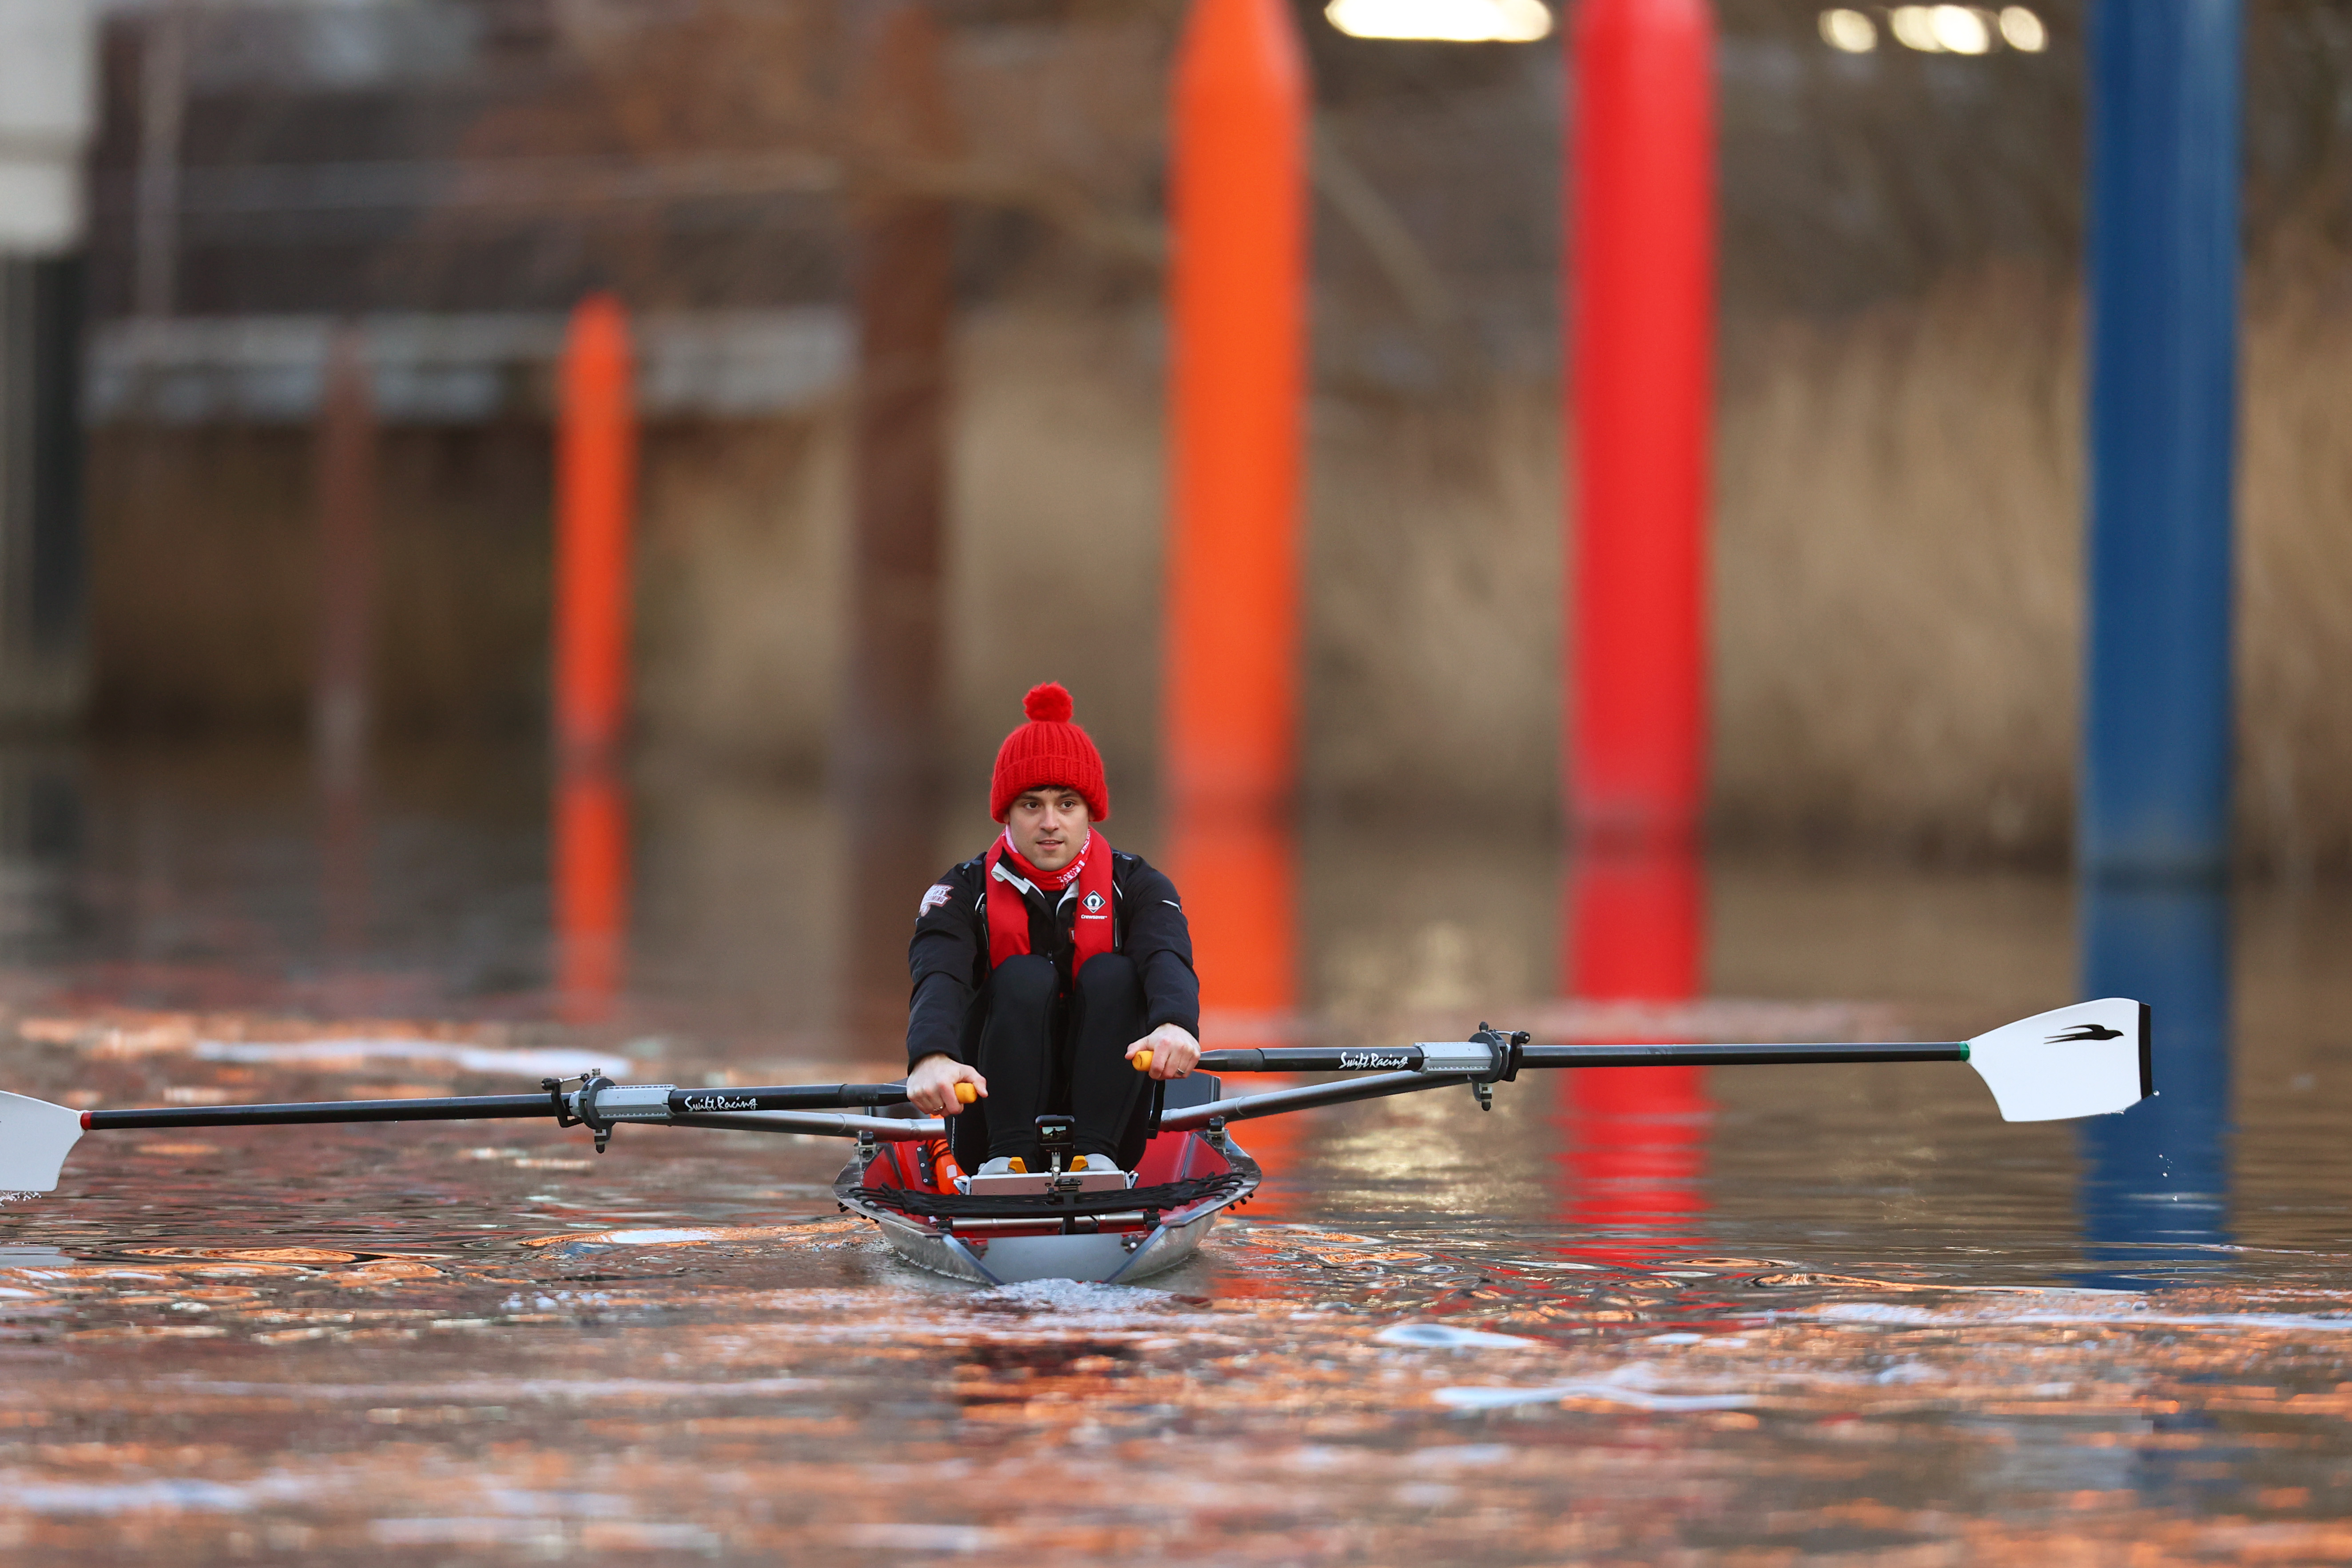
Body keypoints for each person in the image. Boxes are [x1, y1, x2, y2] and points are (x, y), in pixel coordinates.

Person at [902, 682, 1201, 1178]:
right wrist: (930, 1055)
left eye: (1066, 804)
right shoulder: (959, 893)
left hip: (1113, 1123)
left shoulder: (1141, 885)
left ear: (1089, 812)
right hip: (986, 1116)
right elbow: (939, 978)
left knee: (1113, 974)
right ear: (1006, 812)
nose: (1049, 823)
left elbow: (1167, 958)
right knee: (1024, 977)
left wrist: (1175, 1024)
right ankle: (1006, 1162)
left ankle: (1097, 1160)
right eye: (1030, 804)